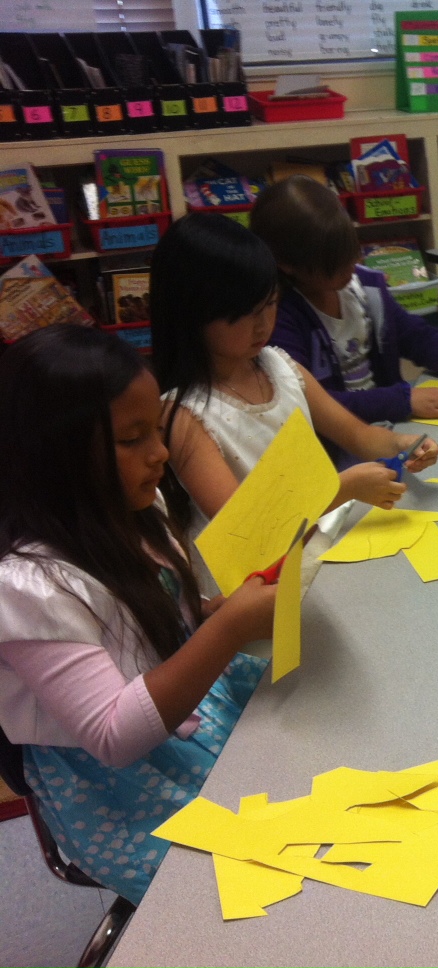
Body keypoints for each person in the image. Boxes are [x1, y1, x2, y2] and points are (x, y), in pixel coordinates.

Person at [0, 325, 277, 904]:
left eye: (155, 430)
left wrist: (213, 611)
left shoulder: (135, 515)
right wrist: (229, 629)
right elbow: (113, 735)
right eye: (132, 439)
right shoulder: (29, 589)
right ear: (55, 457)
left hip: (191, 716)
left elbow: (156, 622)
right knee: (260, 878)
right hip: (125, 790)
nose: (160, 453)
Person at [149, 213, 438, 589]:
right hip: (247, 586)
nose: (262, 324)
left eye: (270, 304)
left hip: (305, 553)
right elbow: (247, 531)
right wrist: (340, 488)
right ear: (191, 315)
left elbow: (359, 436)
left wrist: (405, 443)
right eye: (243, 315)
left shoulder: (280, 366)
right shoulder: (184, 415)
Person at [249, 175, 438, 425]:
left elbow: (417, 337)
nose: (352, 265)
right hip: (341, 438)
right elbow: (312, 406)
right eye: (335, 262)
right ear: (287, 264)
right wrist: (403, 401)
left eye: (352, 251)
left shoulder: (365, 288)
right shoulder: (279, 320)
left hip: (390, 425)